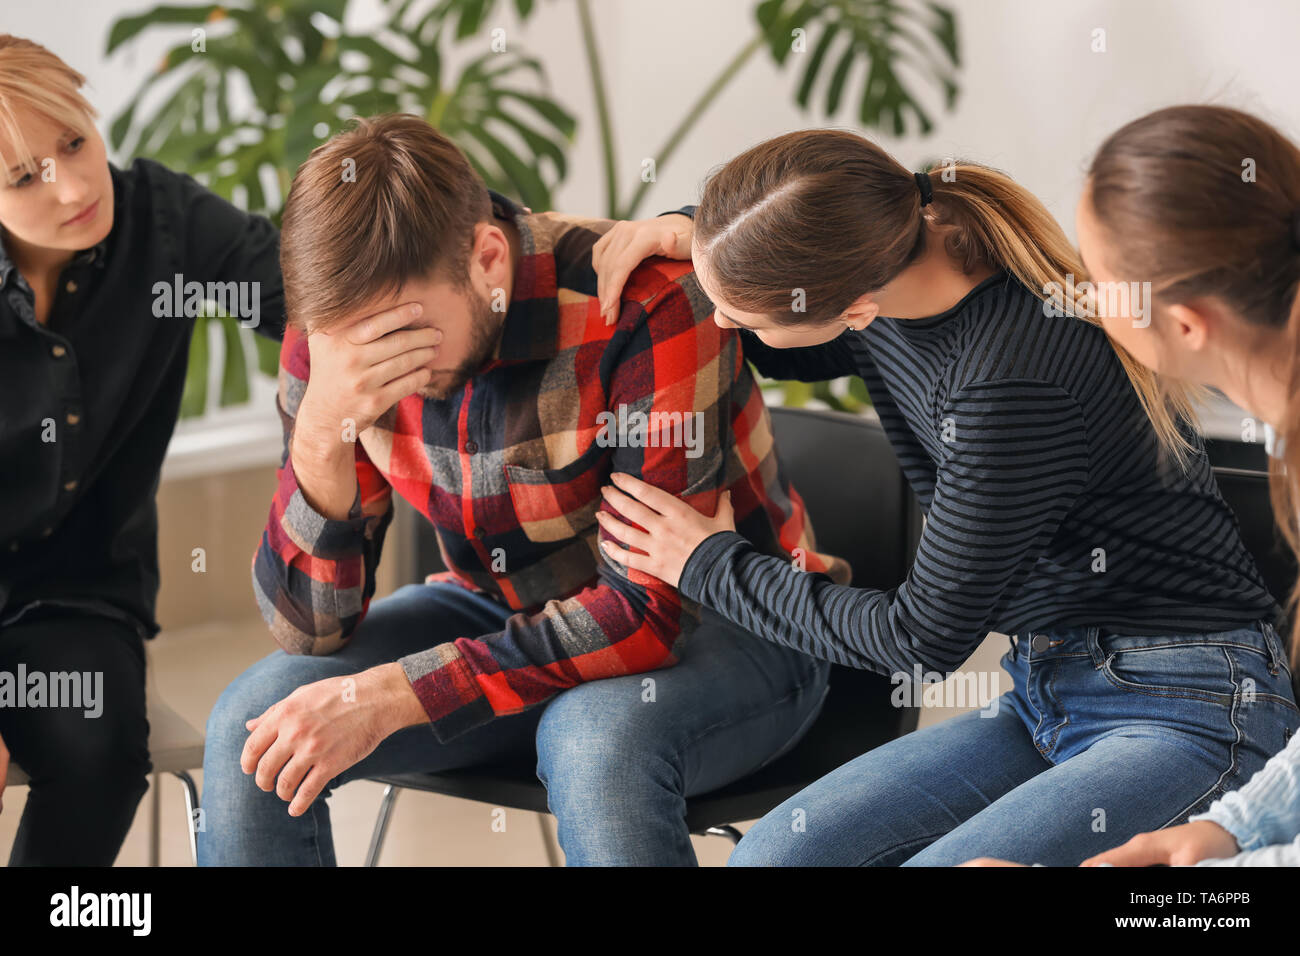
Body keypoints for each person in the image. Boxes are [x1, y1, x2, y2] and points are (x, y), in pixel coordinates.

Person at [590, 127, 1298, 865]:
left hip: (1189, 706)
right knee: (773, 858)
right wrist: (687, 229)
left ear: (853, 307)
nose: (723, 321)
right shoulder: (904, 248)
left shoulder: (1007, 383)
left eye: (737, 312)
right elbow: (784, 313)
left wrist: (707, 562)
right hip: (1047, 686)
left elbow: (916, 640)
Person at [197, 113, 847, 866]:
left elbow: (648, 612)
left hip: (733, 620)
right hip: (505, 611)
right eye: (352, 343)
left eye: (406, 335)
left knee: (594, 740)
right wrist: (321, 434)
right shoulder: (335, 333)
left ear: (487, 256)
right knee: (256, 722)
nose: (380, 364)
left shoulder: (648, 302)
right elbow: (310, 630)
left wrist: (396, 695)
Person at [0, 35, 285, 865]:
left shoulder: (166, 225)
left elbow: (311, 289)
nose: (76, 185)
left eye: (74, 143)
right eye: (24, 177)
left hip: (77, 600)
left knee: (99, 752)